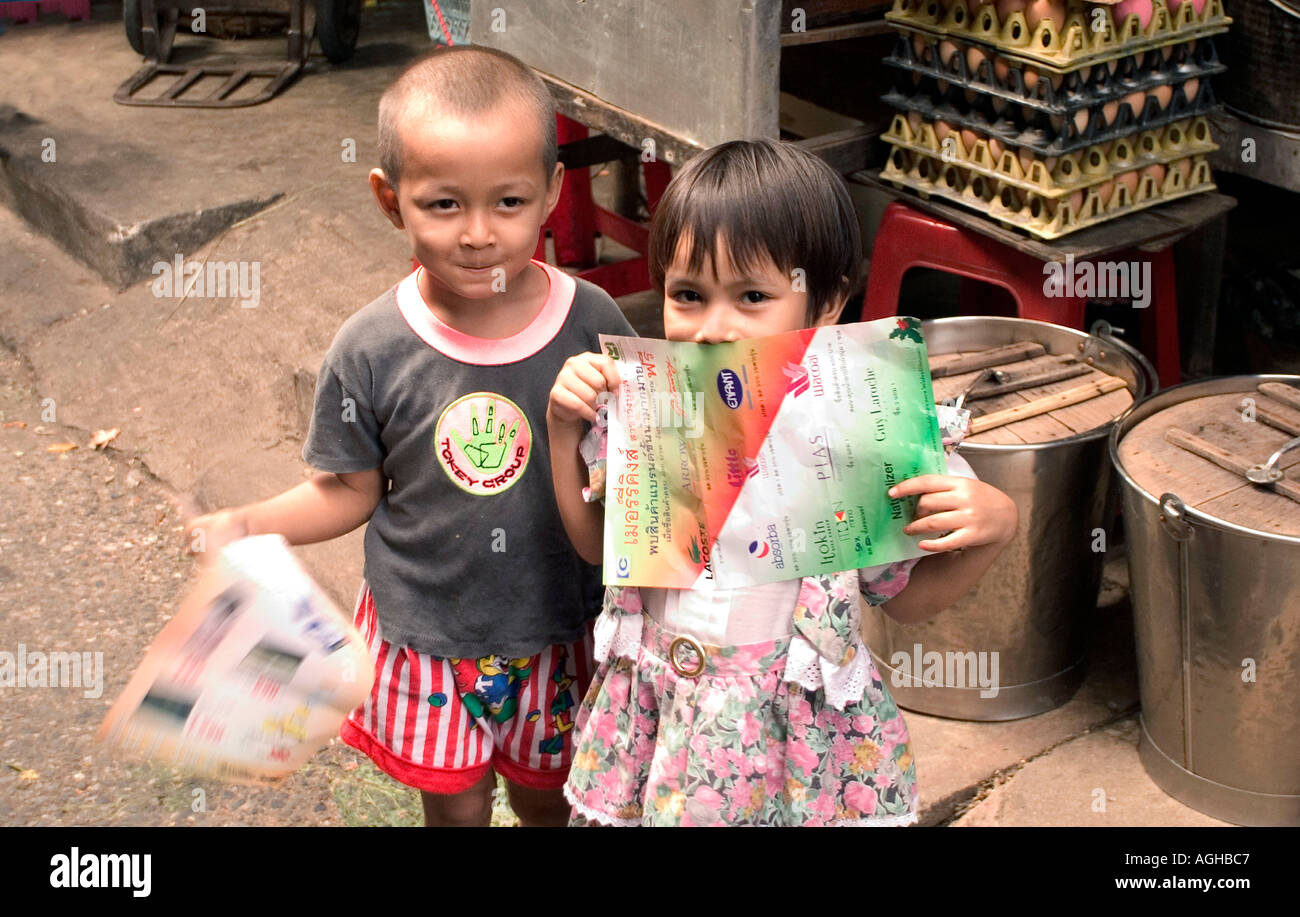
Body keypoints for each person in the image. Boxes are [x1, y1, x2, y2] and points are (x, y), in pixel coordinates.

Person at [185, 46, 634, 826]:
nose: (478, 234)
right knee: (455, 813)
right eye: (444, 204)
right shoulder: (370, 347)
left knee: (550, 804)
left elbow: (641, 467)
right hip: (426, 633)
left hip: (561, 628)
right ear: (391, 201)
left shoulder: (594, 322)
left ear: (555, 193)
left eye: (509, 202)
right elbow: (348, 487)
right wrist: (251, 523)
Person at [546, 139, 1019, 826]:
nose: (713, 328)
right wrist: (565, 430)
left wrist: (994, 528)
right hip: (661, 723)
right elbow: (595, 545)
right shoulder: (649, 413)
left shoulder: (855, 436)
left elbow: (906, 603)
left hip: (791, 748)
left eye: (752, 297)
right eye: (688, 295)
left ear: (824, 301)